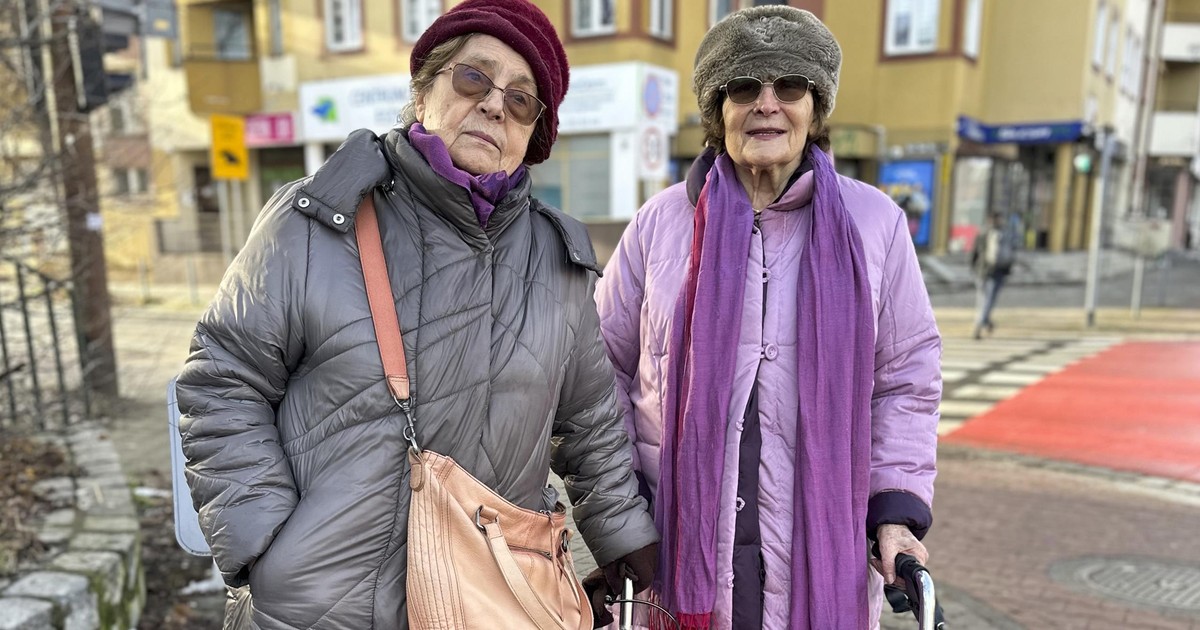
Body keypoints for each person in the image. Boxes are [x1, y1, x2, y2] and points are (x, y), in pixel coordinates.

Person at [174, 1, 658, 628]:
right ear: (426, 87)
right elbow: (221, 381)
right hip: (322, 609)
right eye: (473, 78)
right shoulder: (319, 219)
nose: (493, 106)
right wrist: (269, 547)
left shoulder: (556, 259)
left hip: (491, 598)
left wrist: (622, 535)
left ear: (532, 135)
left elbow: (589, 419)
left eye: (520, 100)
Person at [595, 7, 941, 629]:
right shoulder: (658, 224)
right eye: (744, 88)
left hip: (820, 556)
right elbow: (598, 372)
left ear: (815, 107)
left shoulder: (876, 224)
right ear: (716, 109)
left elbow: (906, 380)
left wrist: (895, 512)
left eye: (789, 87)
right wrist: (624, 503)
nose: (767, 104)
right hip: (677, 550)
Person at [971, 211, 1019, 340]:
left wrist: (974, 268)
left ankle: (984, 321)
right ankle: (981, 324)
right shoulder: (1003, 234)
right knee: (988, 299)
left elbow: (975, 253)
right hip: (994, 271)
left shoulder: (983, 232)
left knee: (983, 299)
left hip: (984, 270)